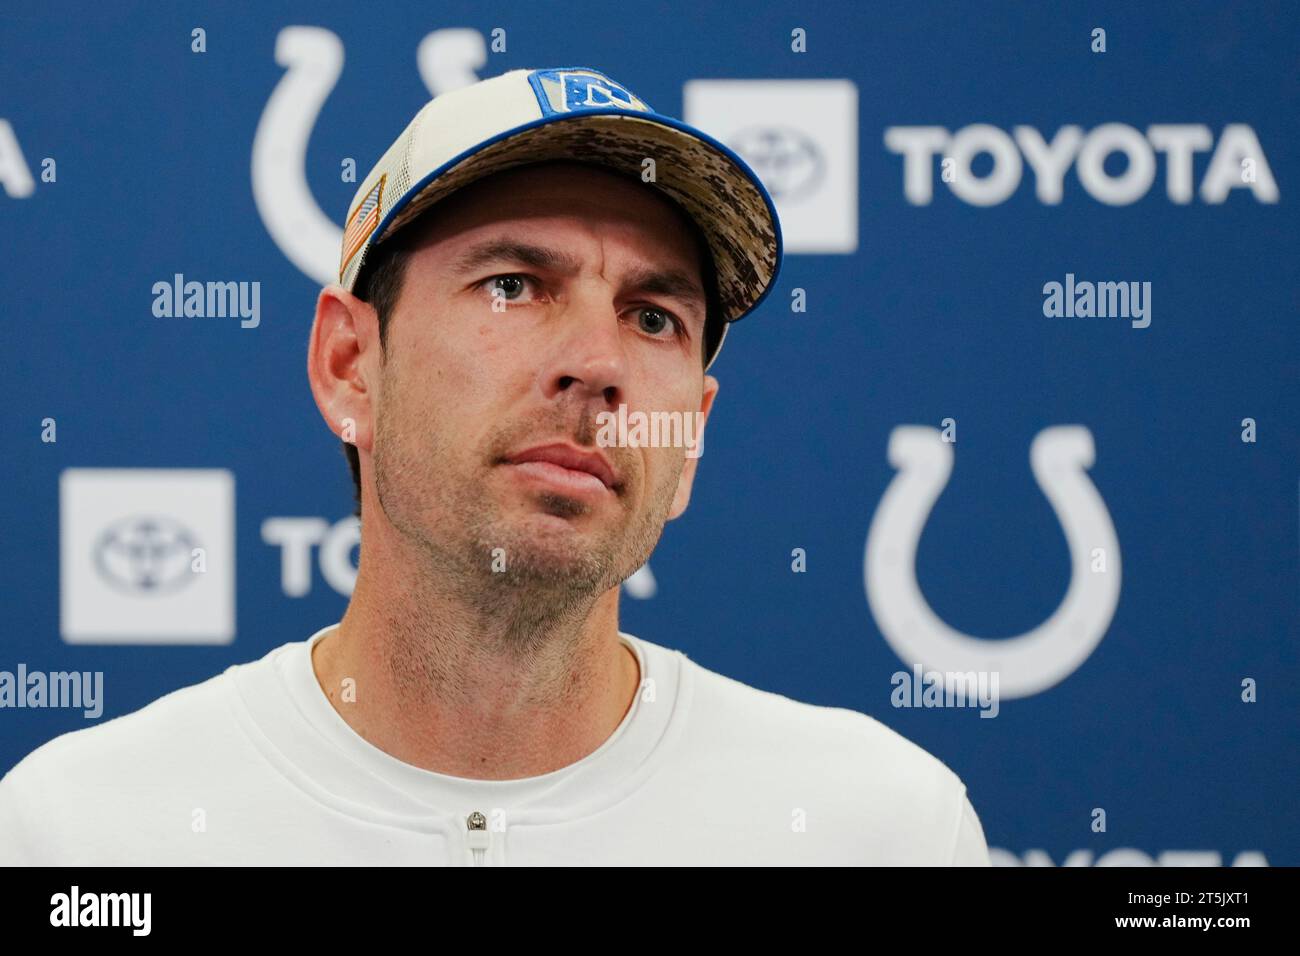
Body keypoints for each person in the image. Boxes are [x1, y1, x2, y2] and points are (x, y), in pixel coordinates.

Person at [0, 67, 991, 865]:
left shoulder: (883, 828)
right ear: (351, 365)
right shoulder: (79, 833)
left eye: (652, 316)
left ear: (688, 433)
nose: (598, 365)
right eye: (513, 285)